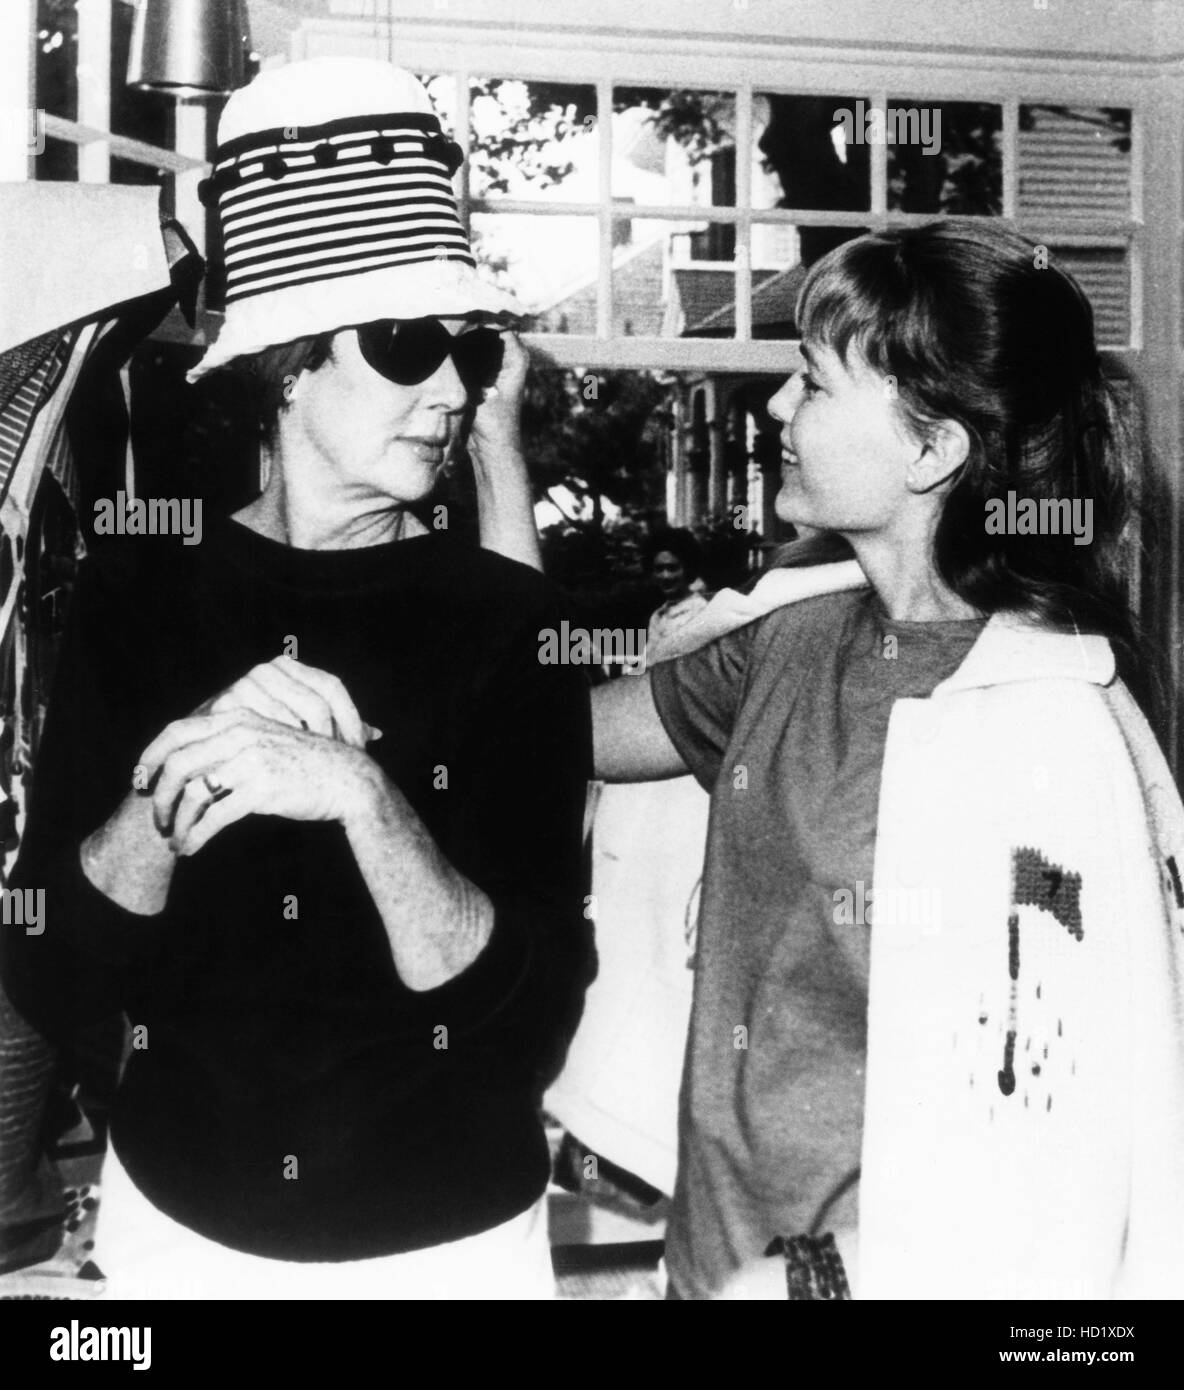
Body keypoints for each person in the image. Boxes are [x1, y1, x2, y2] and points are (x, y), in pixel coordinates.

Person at [0, 58, 593, 1300]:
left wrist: (364, 800)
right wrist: (183, 771)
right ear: (284, 364)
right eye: (403, 343)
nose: (451, 388)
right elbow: (48, 966)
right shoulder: (139, 591)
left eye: (467, 353)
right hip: (179, 1246)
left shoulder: (510, 621)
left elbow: (528, 1018)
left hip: (451, 1259)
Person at [591, 221, 1184, 1299]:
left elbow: (1050, 1141)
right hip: (707, 1269)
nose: (774, 408)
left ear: (930, 450)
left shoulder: (1040, 735)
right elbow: (548, 738)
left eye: (811, 385)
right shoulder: (791, 640)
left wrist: (809, 1282)